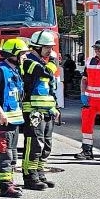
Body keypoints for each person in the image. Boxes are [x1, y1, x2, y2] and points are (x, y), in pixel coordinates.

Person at [0, 38, 28, 198]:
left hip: (13, 119)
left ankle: (9, 181)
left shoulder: (14, 70)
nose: (24, 57)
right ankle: (2, 187)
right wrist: (1, 113)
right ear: (13, 54)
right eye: (22, 54)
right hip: (1, 120)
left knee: (12, 153)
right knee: (3, 152)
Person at [19, 30, 61, 190]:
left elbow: (49, 88)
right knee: (35, 145)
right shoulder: (29, 62)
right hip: (33, 112)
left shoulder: (42, 62)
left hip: (47, 111)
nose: (50, 51)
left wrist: (54, 107)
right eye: (47, 47)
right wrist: (53, 61)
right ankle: (30, 177)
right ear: (36, 47)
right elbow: (46, 73)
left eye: (51, 47)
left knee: (46, 145)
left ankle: (40, 173)